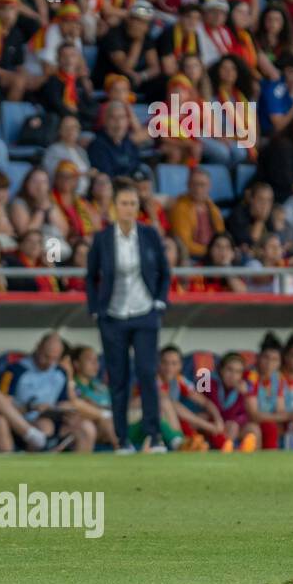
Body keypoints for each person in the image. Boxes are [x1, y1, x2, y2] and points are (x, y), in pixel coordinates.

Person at [86, 177, 171, 453]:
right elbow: (91, 277)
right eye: (123, 203)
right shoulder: (102, 238)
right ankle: (122, 439)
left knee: (147, 373)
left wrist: (159, 300)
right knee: (118, 378)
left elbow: (164, 270)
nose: (129, 208)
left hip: (145, 312)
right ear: (114, 207)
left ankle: (154, 435)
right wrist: (95, 309)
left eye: (133, 203)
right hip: (113, 316)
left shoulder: (149, 235)